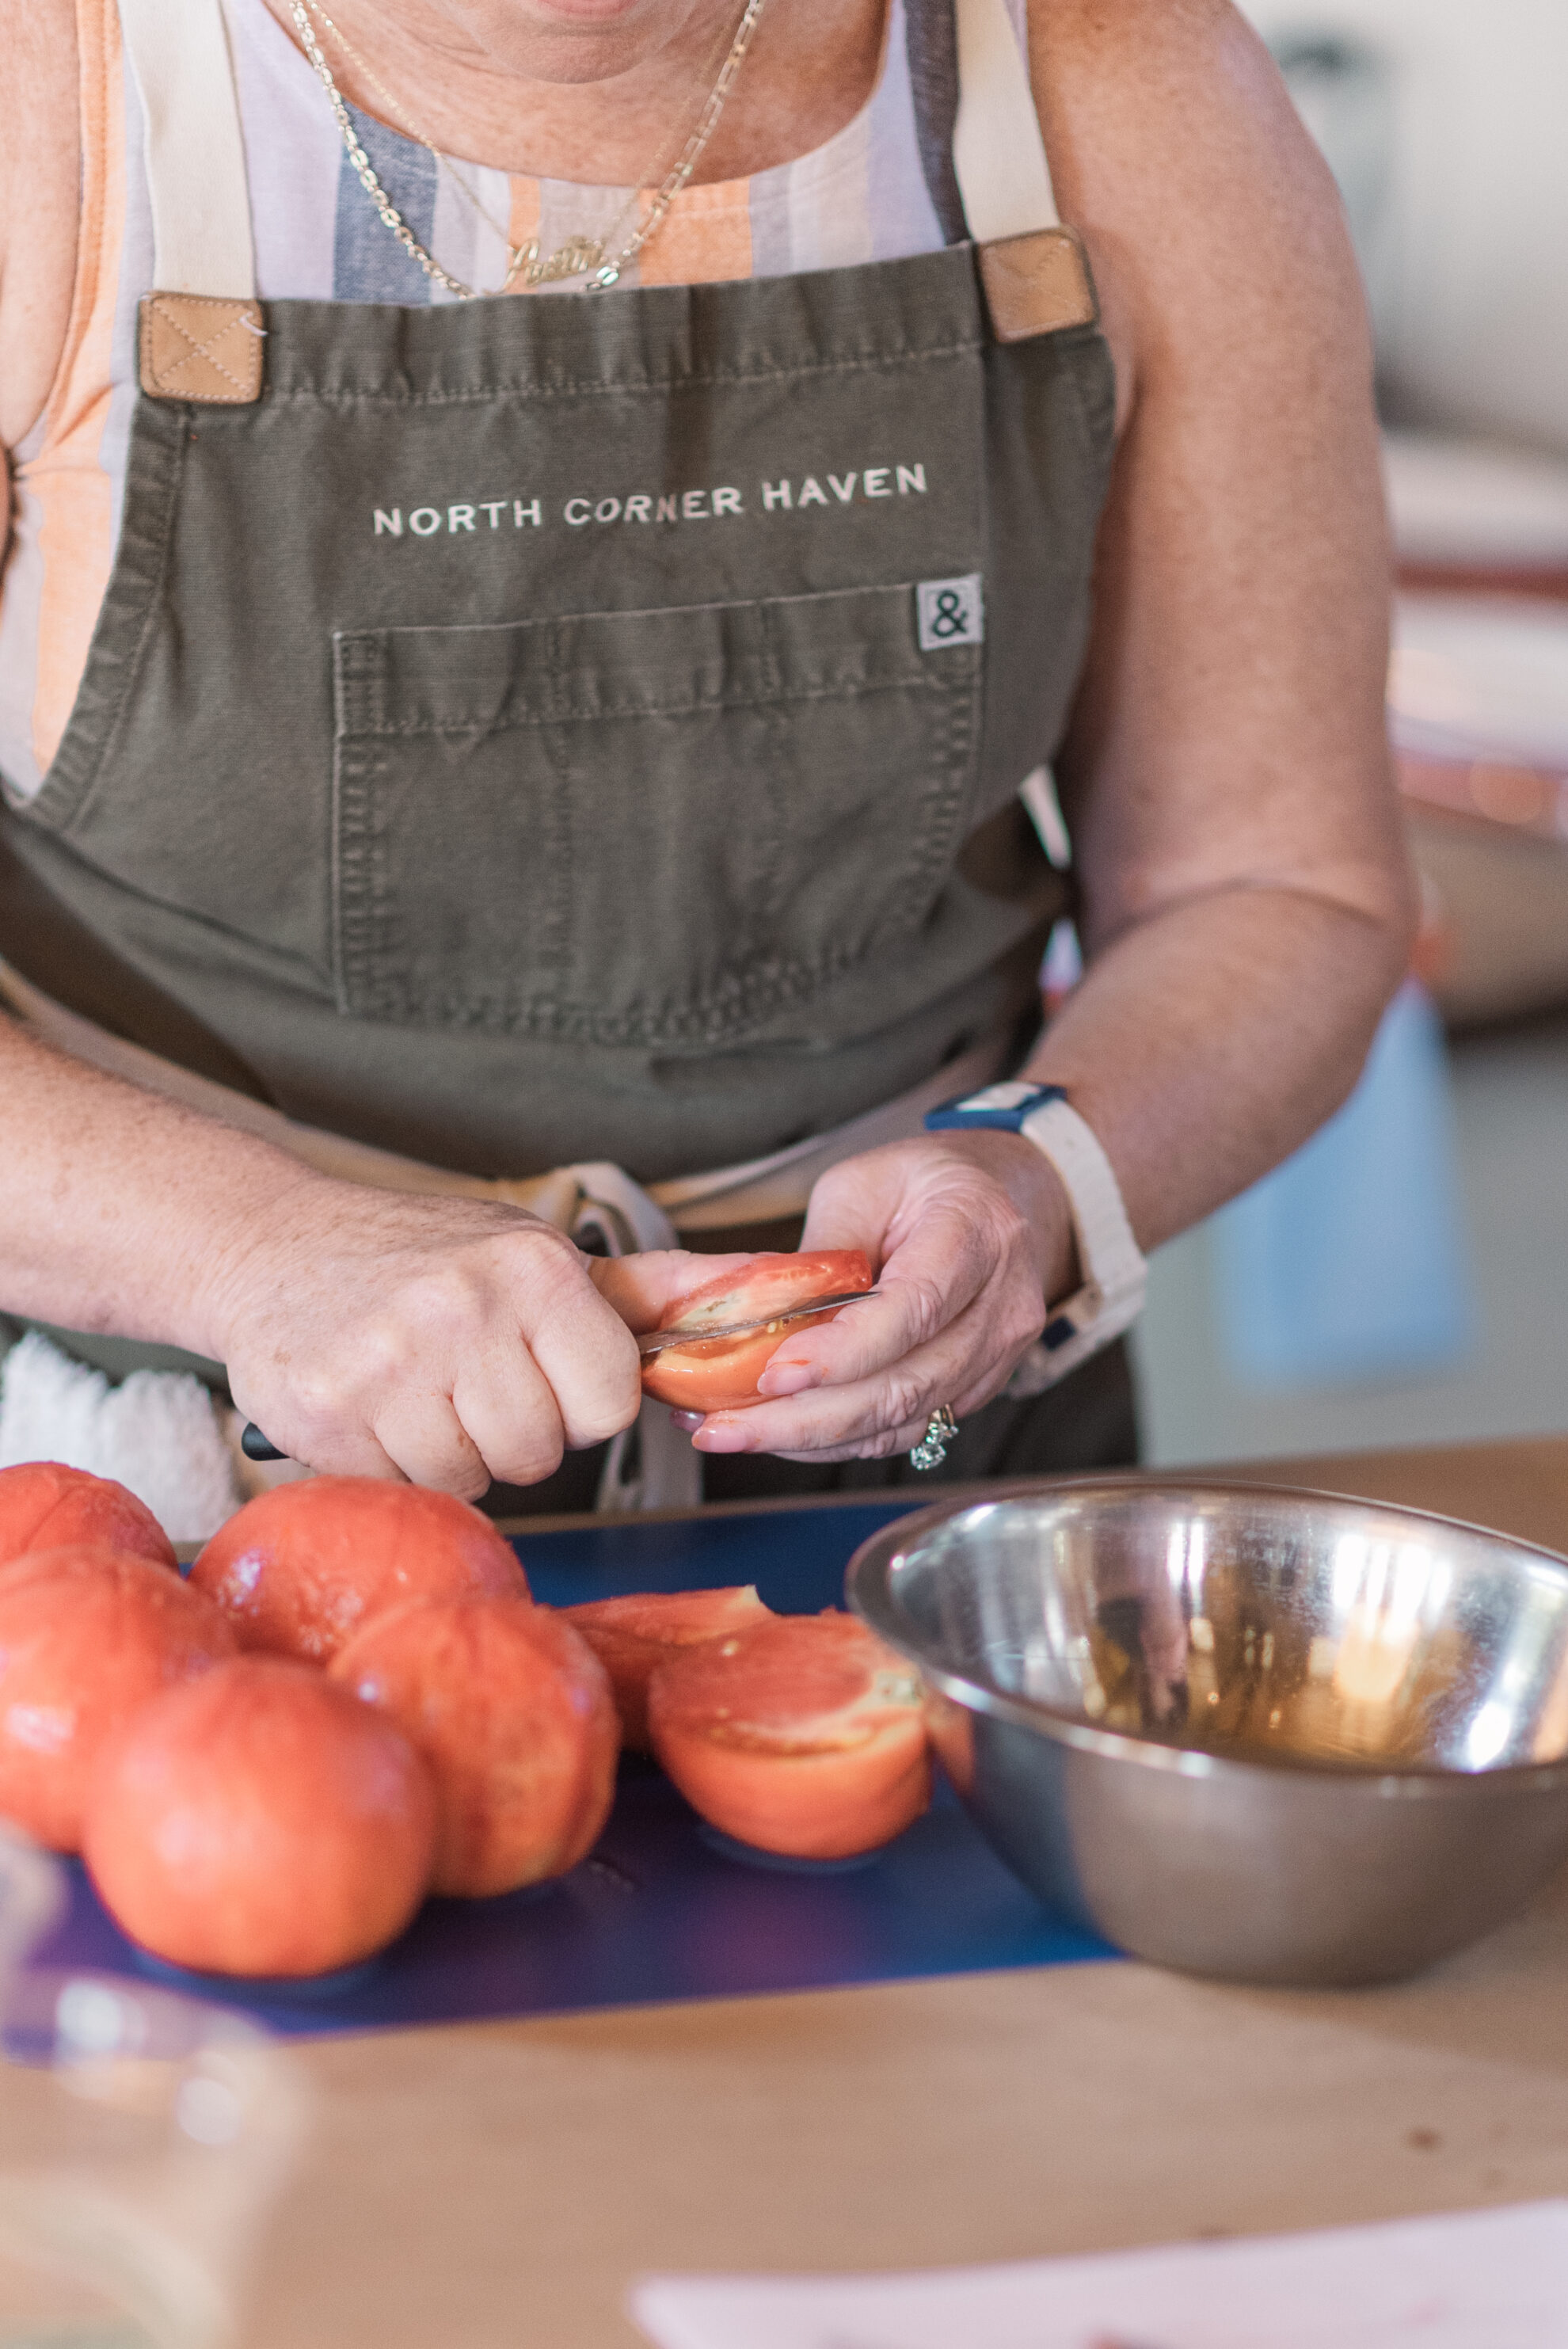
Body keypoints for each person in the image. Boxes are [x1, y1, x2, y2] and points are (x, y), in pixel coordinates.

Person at [0, 0, 1412, 1518]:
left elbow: (1276, 882)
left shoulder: (1117, 76)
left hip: (913, 1484)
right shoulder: (51, 85)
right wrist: (254, 1252)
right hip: (172, 1497)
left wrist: (1039, 1179)